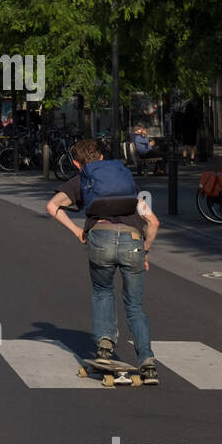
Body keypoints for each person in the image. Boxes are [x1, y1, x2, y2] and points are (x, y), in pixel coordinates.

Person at [45, 138, 160, 384]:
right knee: (135, 305)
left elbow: (52, 206)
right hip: (133, 242)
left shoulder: (81, 180)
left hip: (100, 239)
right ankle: (147, 362)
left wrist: (77, 231)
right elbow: (153, 221)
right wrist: (145, 251)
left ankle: (105, 347)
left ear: (76, 163)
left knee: (103, 292)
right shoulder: (122, 179)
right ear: (100, 157)